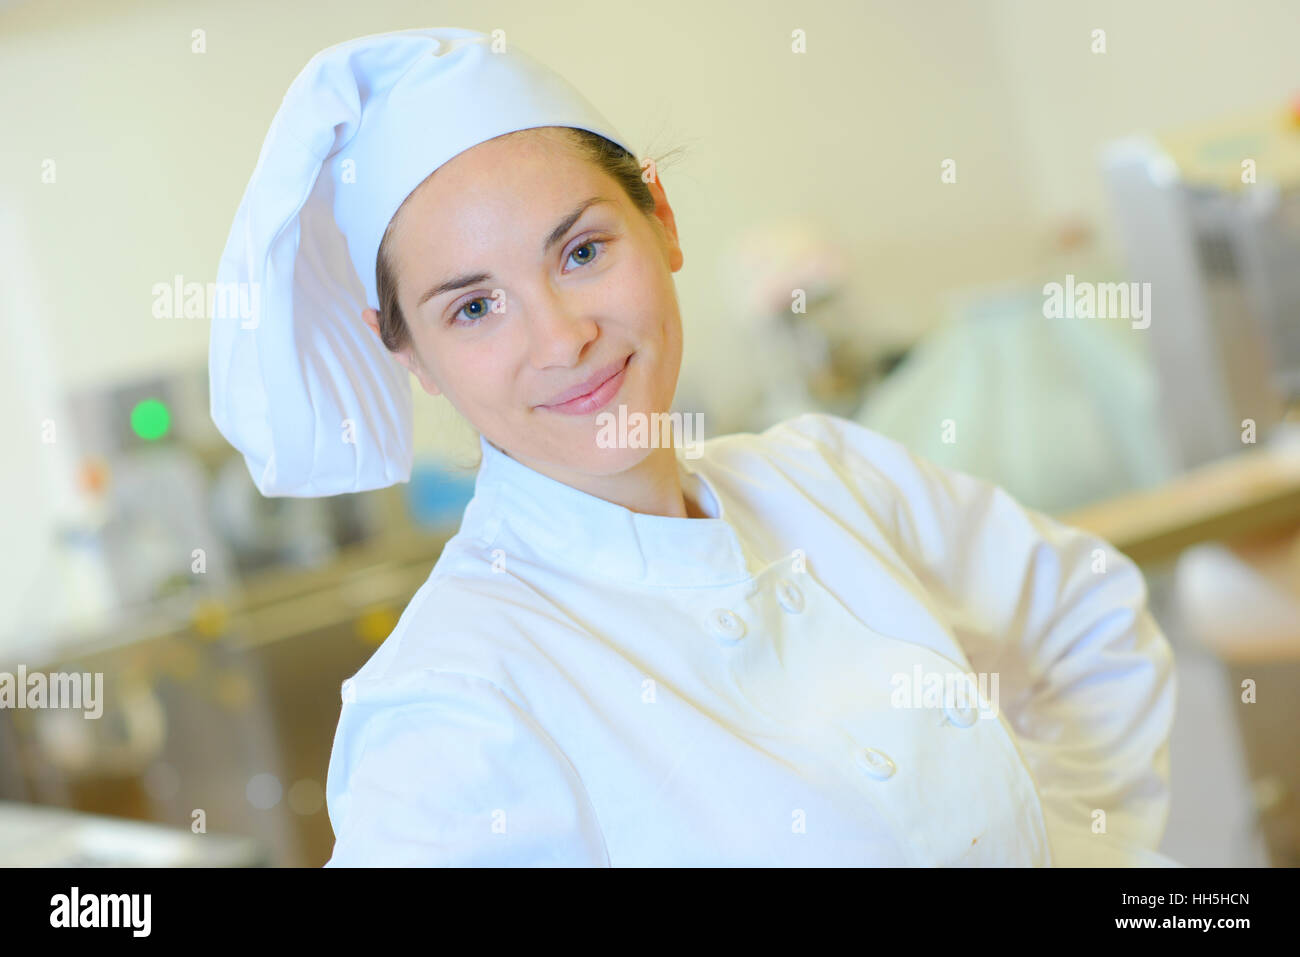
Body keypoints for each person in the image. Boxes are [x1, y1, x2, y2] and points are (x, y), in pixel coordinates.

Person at [209, 27, 1177, 867]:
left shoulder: (828, 477)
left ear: (661, 220)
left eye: (581, 252)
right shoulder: (454, 699)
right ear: (411, 356)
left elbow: (1089, 621)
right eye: (473, 307)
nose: (562, 338)